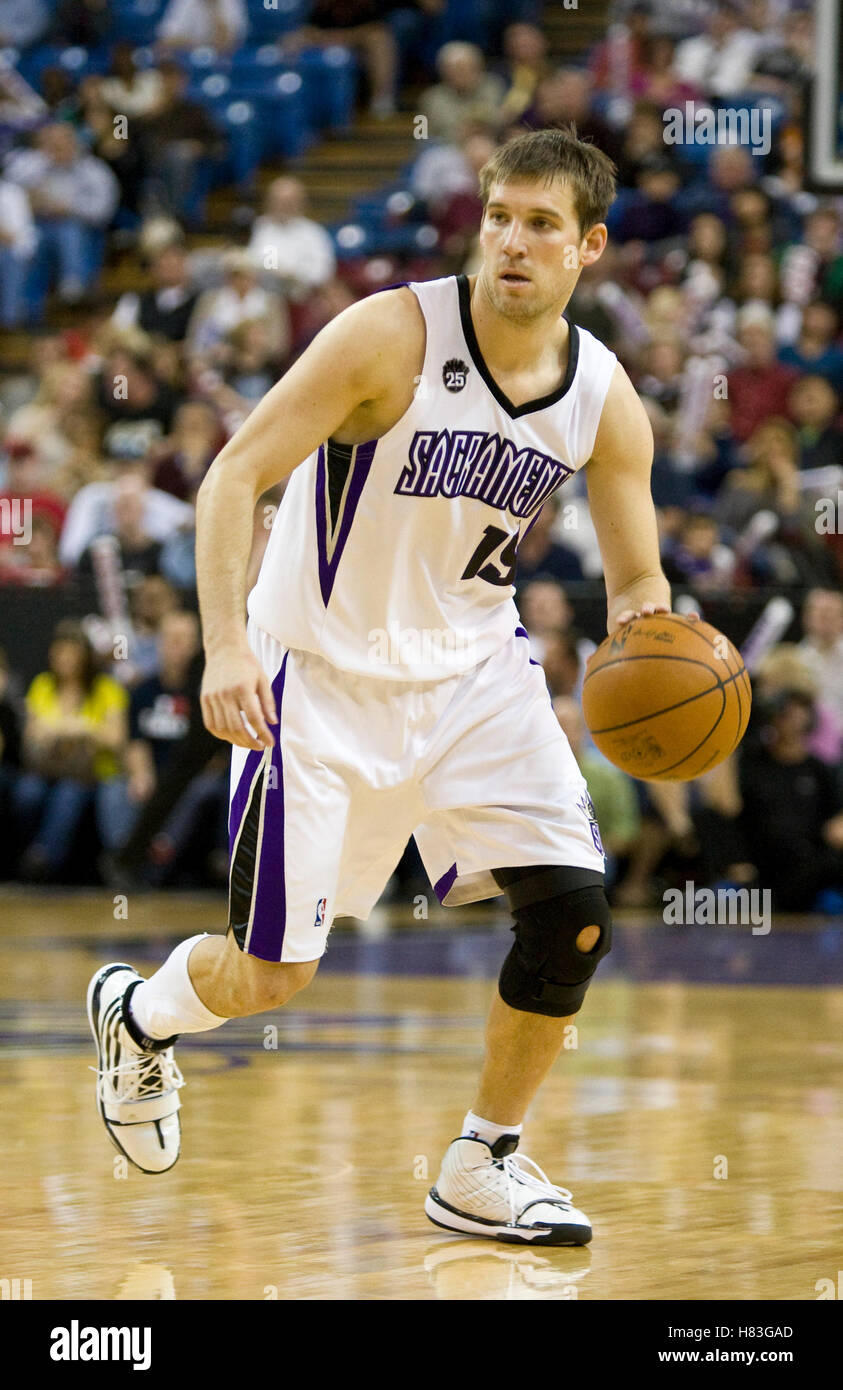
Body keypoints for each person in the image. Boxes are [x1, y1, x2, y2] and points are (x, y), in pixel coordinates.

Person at [87, 127, 687, 1247]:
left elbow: (636, 573)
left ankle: (482, 1161)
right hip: (313, 676)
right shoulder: (388, 337)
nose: (510, 240)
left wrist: (649, 628)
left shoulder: (602, 395)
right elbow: (234, 475)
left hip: (474, 671)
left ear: (590, 246)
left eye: (541, 225)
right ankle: (141, 1011)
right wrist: (224, 645)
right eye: (499, 215)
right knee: (271, 977)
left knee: (575, 918)